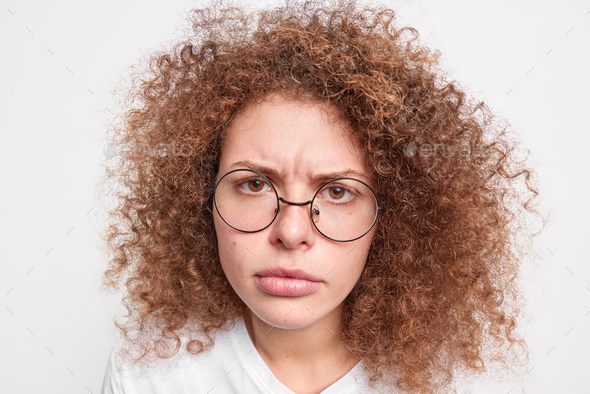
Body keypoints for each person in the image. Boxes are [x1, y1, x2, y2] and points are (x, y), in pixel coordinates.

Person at [99, 0, 544, 393]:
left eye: (336, 191)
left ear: (395, 218)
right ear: (202, 200)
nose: (291, 233)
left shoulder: (457, 383)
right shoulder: (147, 377)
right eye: (254, 184)